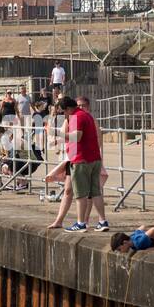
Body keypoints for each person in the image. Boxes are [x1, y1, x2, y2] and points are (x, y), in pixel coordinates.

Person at [61, 95, 107, 232]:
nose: (64, 114)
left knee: (80, 194)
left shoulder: (76, 116)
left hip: (81, 160)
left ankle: (81, 223)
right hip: (95, 159)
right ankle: (103, 221)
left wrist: (58, 134)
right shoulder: (88, 116)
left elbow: (77, 136)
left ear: (68, 108)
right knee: (96, 192)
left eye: (64, 111)